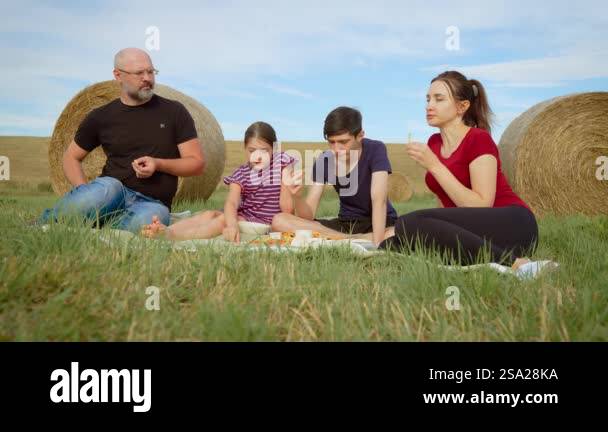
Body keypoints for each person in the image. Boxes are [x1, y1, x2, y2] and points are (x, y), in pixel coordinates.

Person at [380, 71, 555, 277]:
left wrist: (434, 165)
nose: (429, 105)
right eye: (428, 99)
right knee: (392, 244)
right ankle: (485, 259)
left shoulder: (478, 140)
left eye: (439, 99)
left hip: (512, 223)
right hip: (475, 233)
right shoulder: (434, 144)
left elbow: (482, 204)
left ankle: (518, 265)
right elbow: (444, 203)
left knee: (409, 223)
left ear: (462, 107)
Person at [38, 47, 205, 232]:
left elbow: (196, 164)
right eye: (139, 73)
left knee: (148, 222)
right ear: (118, 75)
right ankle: (45, 223)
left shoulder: (175, 111)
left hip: (152, 203)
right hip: (112, 190)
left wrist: (158, 164)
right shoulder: (100, 116)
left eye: (151, 72)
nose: (147, 78)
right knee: (104, 192)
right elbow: (71, 157)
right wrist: (85, 192)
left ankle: (98, 226)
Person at [142, 121, 297, 242]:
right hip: (247, 218)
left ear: (274, 150)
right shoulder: (242, 173)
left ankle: (173, 236)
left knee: (222, 219)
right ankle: (167, 229)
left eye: (264, 151)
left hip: (266, 223)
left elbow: (288, 210)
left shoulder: (282, 164)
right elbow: (231, 203)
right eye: (251, 151)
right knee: (210, 214)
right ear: (244, 148)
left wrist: (286, 179)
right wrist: (232, 224)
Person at [271, 106, 396, 246]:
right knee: (279, 220)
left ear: (360, 135)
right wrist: (297, 197)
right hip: (346, 225)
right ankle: (353, 239)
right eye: (332, 142)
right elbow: (308, 216)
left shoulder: (375, 149)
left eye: (343, 142)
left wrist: (377, 243)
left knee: (401, 230)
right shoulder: (325, 160)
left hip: (381, 221)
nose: (336, 149)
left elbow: (379, 200)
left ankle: (345, 239)